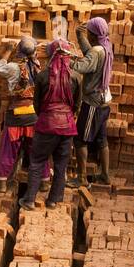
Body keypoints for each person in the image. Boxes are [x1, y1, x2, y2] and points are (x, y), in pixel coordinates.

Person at [20, 38, 81, 210]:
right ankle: (53, 200)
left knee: (37, 161)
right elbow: (76, 105)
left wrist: (44, 118)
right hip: (67, 128)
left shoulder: (42, 76)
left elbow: (37, 104)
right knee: (61, 166)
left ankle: (29, 200)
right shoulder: (75, 77)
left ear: (51, 54)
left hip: (46, 125)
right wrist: (68, 117)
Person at [0, 36, 46, 187]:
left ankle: (2, 184)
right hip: (33, 115)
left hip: (16, 115)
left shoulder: (13, 68)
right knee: (37, 150)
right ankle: (44, 183)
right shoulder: (38, 68)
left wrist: (8, 50)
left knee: (8, 150)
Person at [71, 17, 114, 187]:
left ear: (94, 34)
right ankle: (105, 175)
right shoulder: (106, 46)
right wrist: (79, 36)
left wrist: (66, 59)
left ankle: (81, 179)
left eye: (88, 32)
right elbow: (90, 55)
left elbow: (83, 66)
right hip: (105, 101)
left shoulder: (97, 51)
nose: (87, 33)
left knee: (80, 140)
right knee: (102, 140)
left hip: (93, 104)